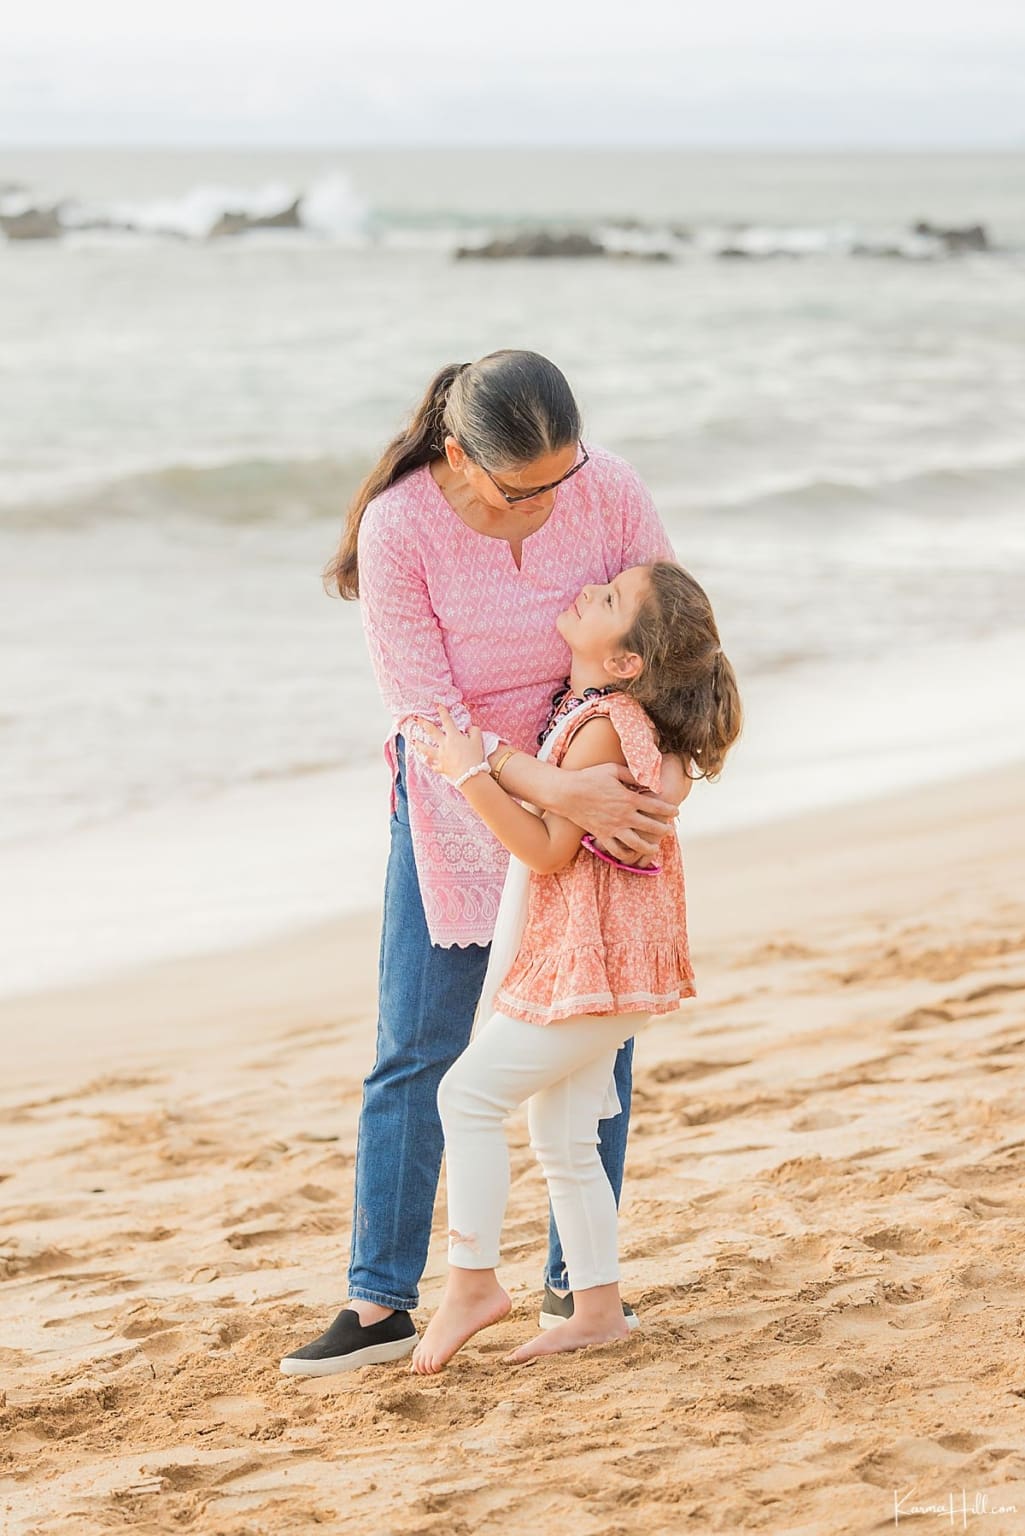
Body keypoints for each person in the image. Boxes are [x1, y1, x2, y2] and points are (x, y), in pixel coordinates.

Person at [281, 351, 692, 1377]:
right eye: (522, 490)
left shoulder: (608, 489)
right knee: (416, 1049)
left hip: (592, 800)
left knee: (587, 1048)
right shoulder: (400, 526)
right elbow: (423, 710)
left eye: (563, 476)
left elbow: (673, 642)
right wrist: (547, 786)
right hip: (453, 801)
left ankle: (577, 1282)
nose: (549, 502)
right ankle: (380, 1302)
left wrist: (658, 781)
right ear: (460, 456)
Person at [407, 561, 741, 1372]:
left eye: (611, 598)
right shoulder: (610, 716)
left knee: (465, 1096)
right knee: (562, 1136)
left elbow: (547, 851)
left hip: (595, 964)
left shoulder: (600, 725)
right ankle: (594, 1309)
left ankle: (471, 1284)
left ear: (625, 660)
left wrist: (470, 773)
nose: (590, 590)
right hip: (610, 965)